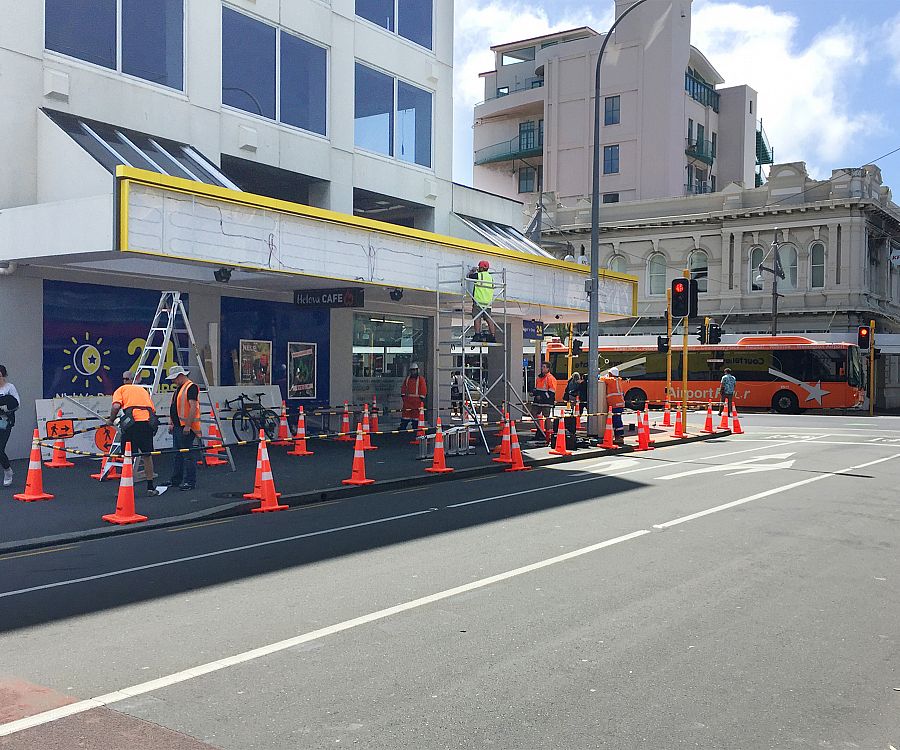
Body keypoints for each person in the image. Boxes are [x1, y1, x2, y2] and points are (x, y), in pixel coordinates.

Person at [108, 370, 159, 496]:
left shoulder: (121, 390)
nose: (124, 381)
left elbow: (115, 407)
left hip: (132, 425)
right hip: (147, 424)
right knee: (147, 456)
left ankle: (124, 489)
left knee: (127, 457)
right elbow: (152, 409)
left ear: (127, 380)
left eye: (125, 379)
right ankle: (150, 487)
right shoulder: (143, 390)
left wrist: (111, 420)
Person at [166, 365, 201, 491]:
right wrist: (172, 422)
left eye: (174, 379)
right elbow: (175, 407)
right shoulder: (180, 388)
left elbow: (193, 407)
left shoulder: (190, 387)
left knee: (187, 455)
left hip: (184, 427)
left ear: (180, 376)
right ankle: (176, 480)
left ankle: (189, 481)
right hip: (178, 426)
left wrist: (187, 425)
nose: (173, 381)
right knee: (178, 455)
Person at [0, 365, 20, 488]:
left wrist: (5, 408)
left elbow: (17, 404)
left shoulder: (10, 387)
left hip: (5, 422)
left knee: (0, 449)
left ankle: (8, 471)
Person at [467, 260, 496, 342]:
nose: (478, 268)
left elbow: (469, 276)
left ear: (482, 268)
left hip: (479, 302)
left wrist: (473, 270)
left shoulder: (479, 275)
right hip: (488, 303)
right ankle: (492, 336)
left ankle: (477, 335)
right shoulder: (490, 278)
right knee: (488, 319)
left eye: (479, 267)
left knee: (477, 318)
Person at [399, 363, 427, 432]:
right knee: (405, 415)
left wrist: (421, 398)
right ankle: (403, 428)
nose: (413, 372)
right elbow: (404, 388)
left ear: (417, 370)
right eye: (412, 370)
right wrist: (404, 397)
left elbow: (423, 389)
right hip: (408, 401)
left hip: (416, 402)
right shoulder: (407, 379)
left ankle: (415, 429)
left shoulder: (421, 379)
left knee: (416, 417)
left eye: (414, 370)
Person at [602, 367, 626, 443]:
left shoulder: (612, 380)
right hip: (619, 403)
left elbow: (602, 379)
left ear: (611, 374)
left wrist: (602, 376)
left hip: (615, 404)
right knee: (617, 420)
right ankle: (618, 437)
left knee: (616, 421)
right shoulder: (618, 380)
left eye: (609, 373)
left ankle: (619, 437)